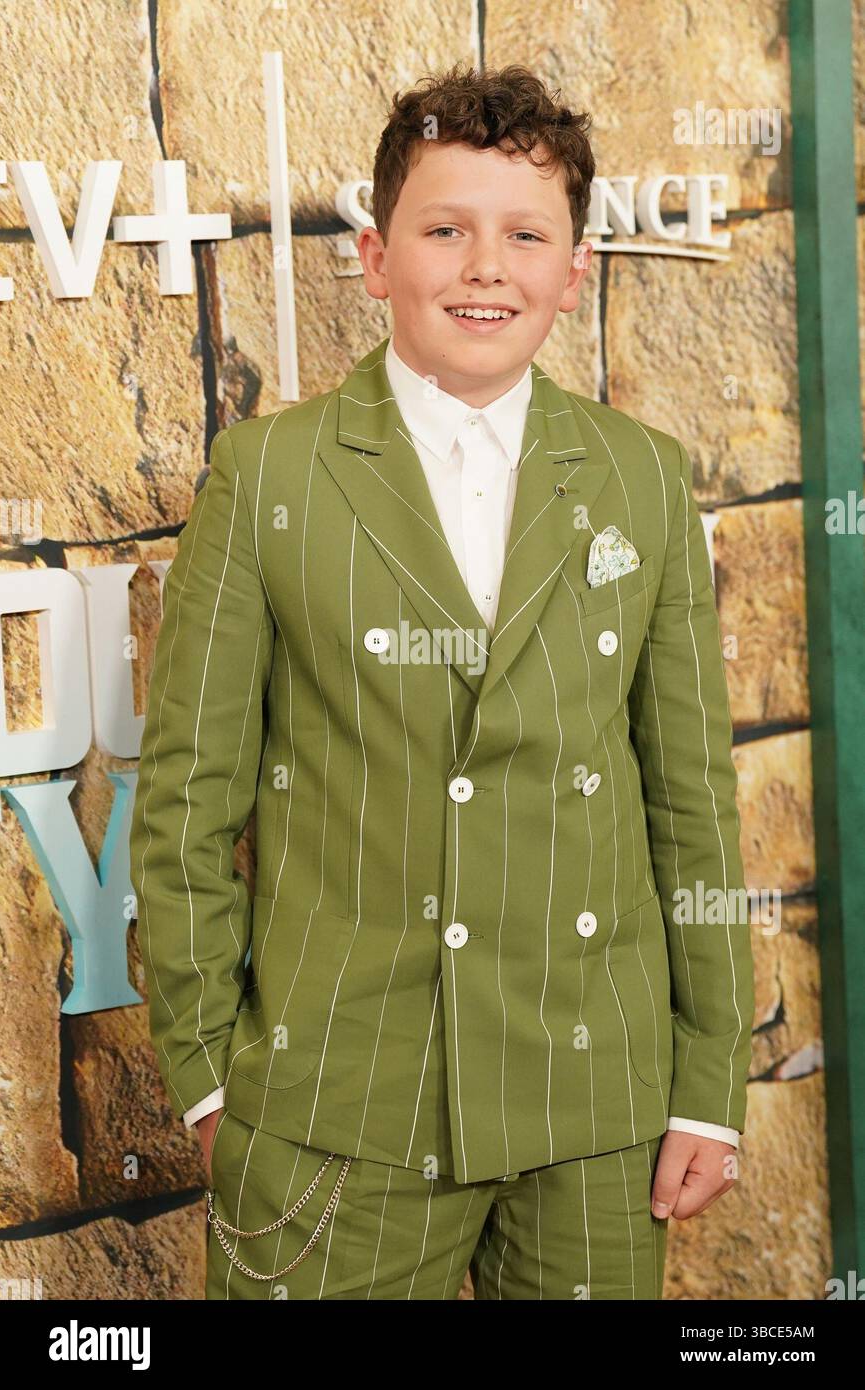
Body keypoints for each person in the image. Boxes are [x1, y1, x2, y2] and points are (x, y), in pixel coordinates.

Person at [129, 62, 755, 1300]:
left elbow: (693, 808)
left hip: (594, 1110)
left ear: (573, 273)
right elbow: (185, 802)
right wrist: (209, 1071)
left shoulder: (640, 477)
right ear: (373, 258)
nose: (486, 266)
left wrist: (707, 1081)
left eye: (525, 235)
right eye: (444, 229)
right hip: (334, 1108)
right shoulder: (267, 478)